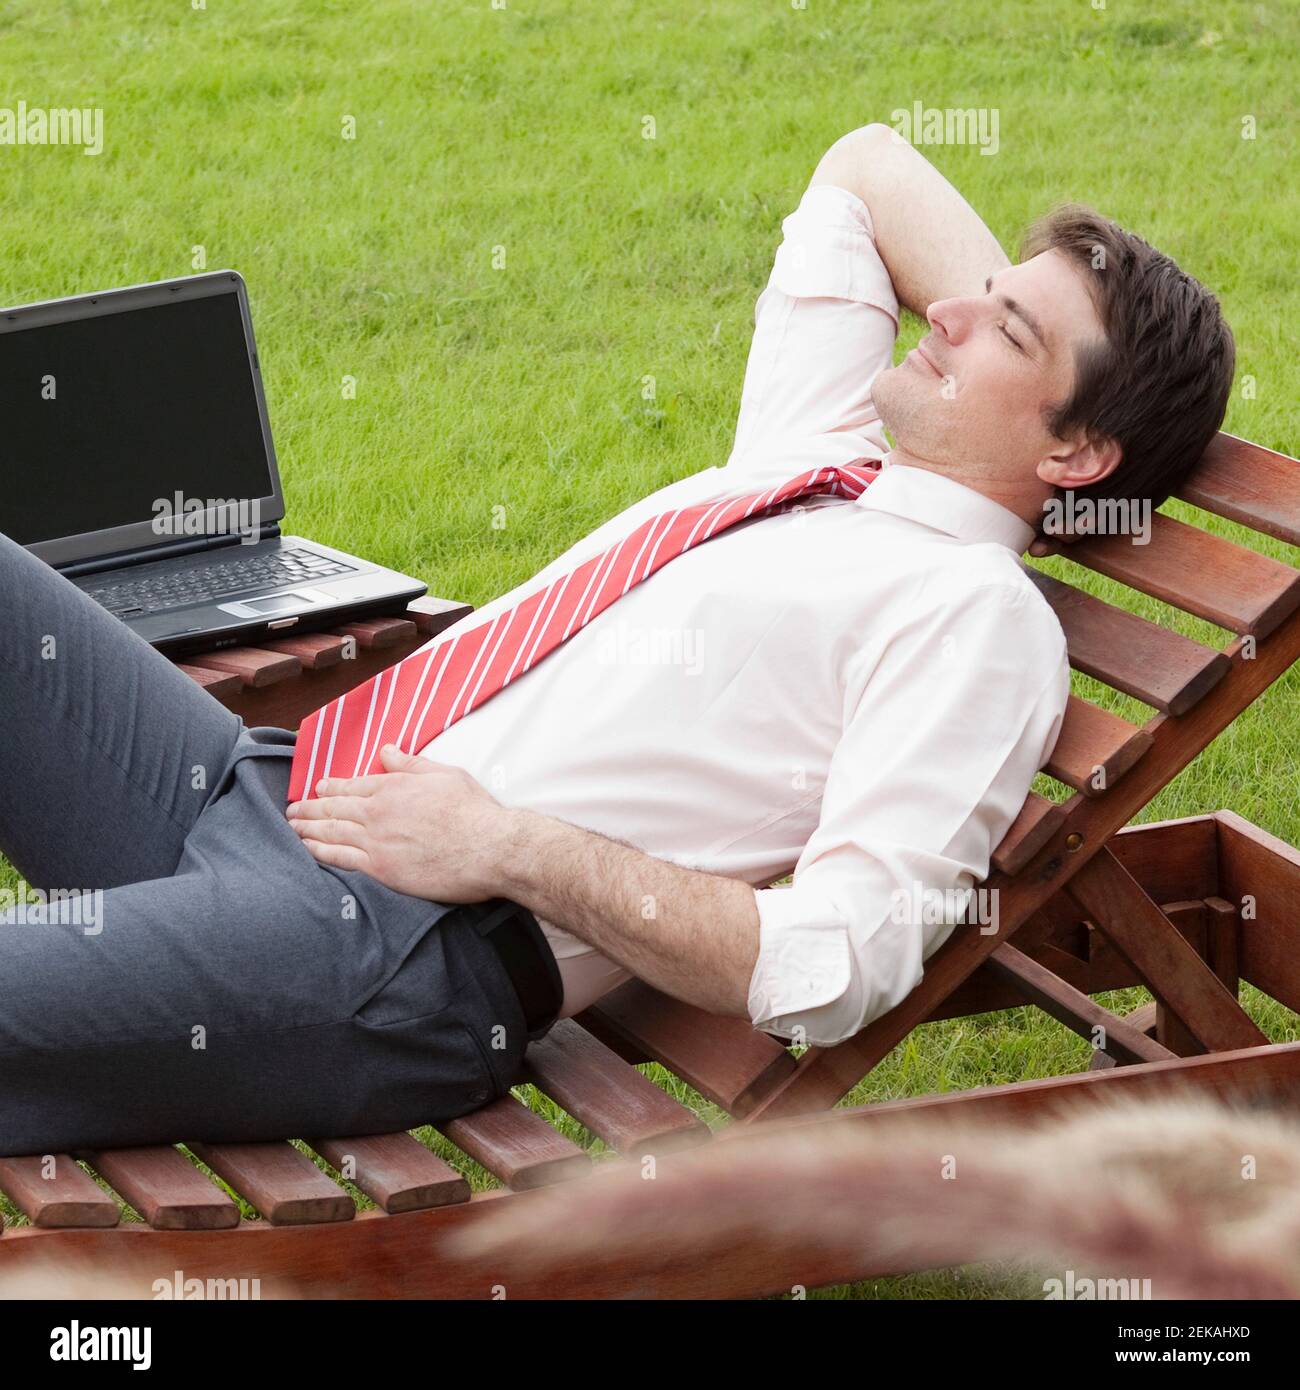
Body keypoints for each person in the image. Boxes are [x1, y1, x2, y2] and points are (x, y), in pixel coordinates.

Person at [0, 124, 1234, 1155]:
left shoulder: (972, 619)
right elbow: (863, 170)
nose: (950, 311)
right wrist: (1007, 353)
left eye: (1008, 332)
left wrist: (509, 844)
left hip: (389, 950)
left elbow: (838, 960)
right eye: (981, 291)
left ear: (1076, 453)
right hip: (273, 792)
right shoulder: (826, 453)